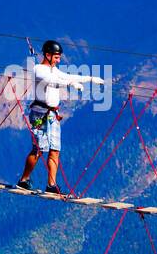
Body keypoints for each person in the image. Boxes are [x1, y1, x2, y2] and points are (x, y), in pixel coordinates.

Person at [16, 40, 104, 194]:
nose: (59, 60)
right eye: (56, 57)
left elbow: (67, 77)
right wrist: (70, 85)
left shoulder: (53, 69)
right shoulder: (38, 70)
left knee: (55, 150)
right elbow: (54, 82)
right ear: (48, 55)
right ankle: (24, 180)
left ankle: (51, 185)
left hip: (52, 115)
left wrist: (90, 79)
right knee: (38, 149)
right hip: (39, 114)